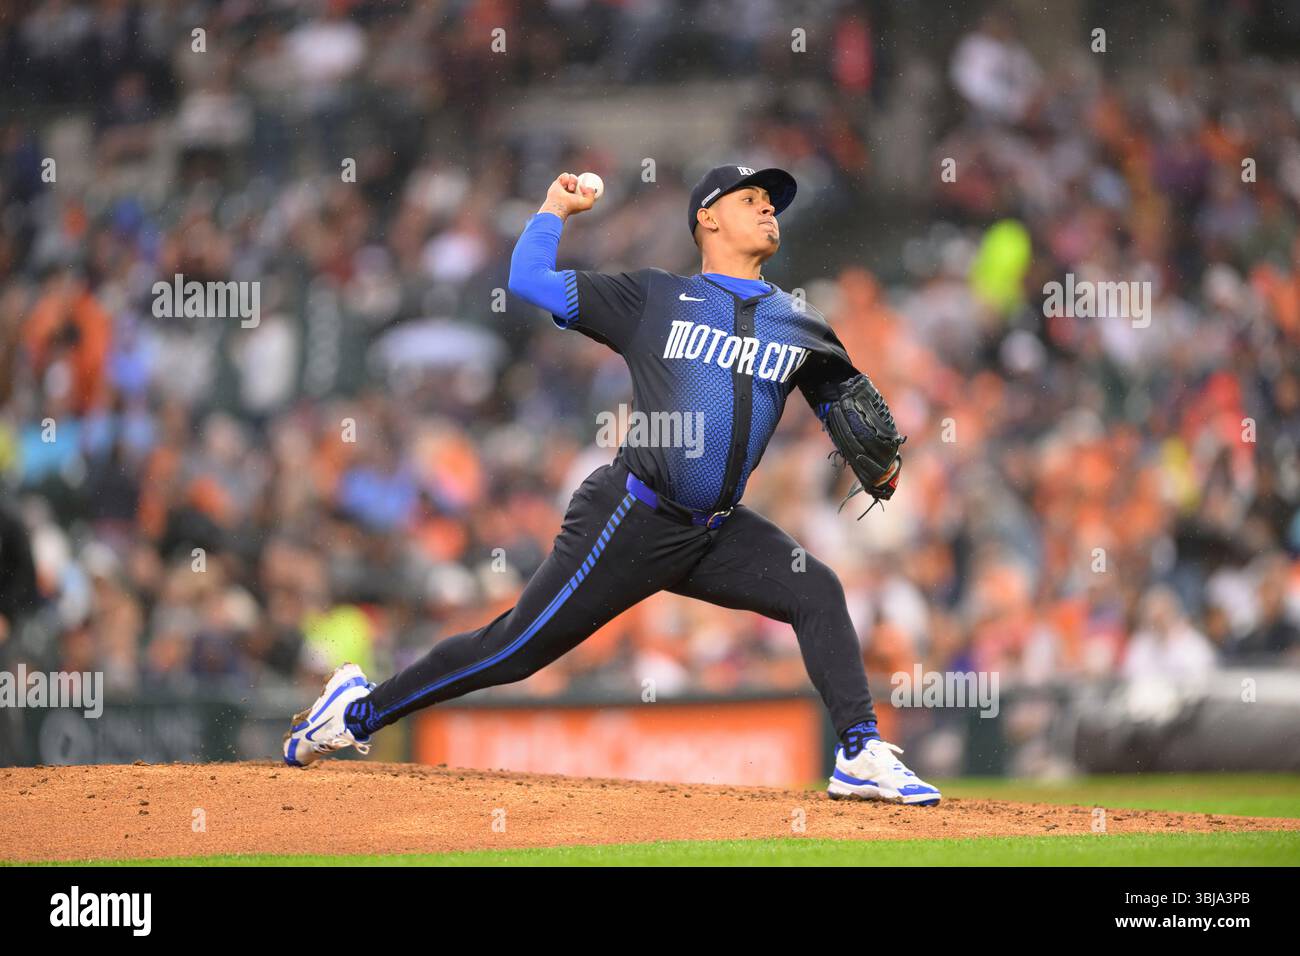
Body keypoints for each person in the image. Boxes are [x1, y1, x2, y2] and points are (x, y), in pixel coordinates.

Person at [283, 165, 941, 805]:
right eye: (752, 198)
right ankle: (357, 711)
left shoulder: (799, 322)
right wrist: (553, 210)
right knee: (514, 649)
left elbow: (847, 411)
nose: (769, 207)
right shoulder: (653, 297)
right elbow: (528, 278)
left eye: (773, 200)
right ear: (707, 219)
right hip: (632, 514)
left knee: (816, 588)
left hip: (714, 530)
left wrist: (879, 462)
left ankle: (859, 752)